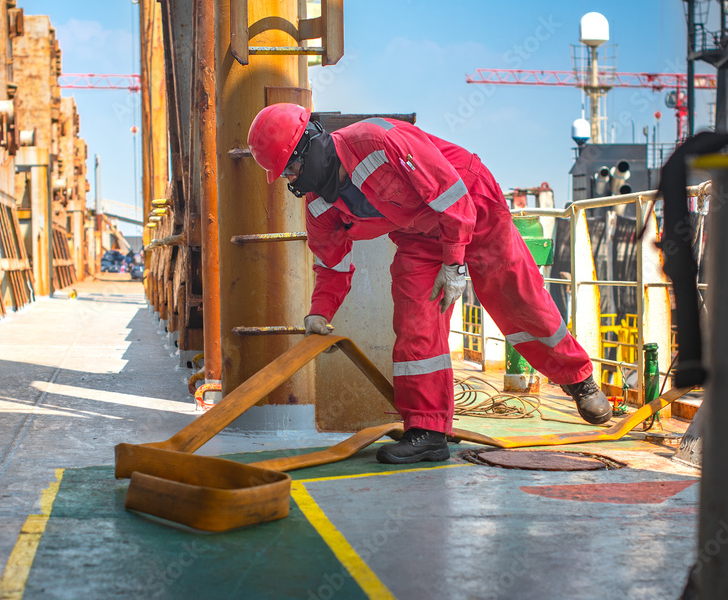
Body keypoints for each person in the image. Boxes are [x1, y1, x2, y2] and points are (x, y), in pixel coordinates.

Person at [247, 103, 612, 464]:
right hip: (419, 234)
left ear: (310, 146)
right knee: (415, 321)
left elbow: (450, 195)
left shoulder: (378, 139)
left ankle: (578, 379)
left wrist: (454, 263)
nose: (292, 180)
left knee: (516, 296)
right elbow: (332, 264)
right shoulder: (319, 207)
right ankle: (428, 431)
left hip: (469, 201)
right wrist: (318, 312)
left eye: (291, 168)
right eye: (285, 175)